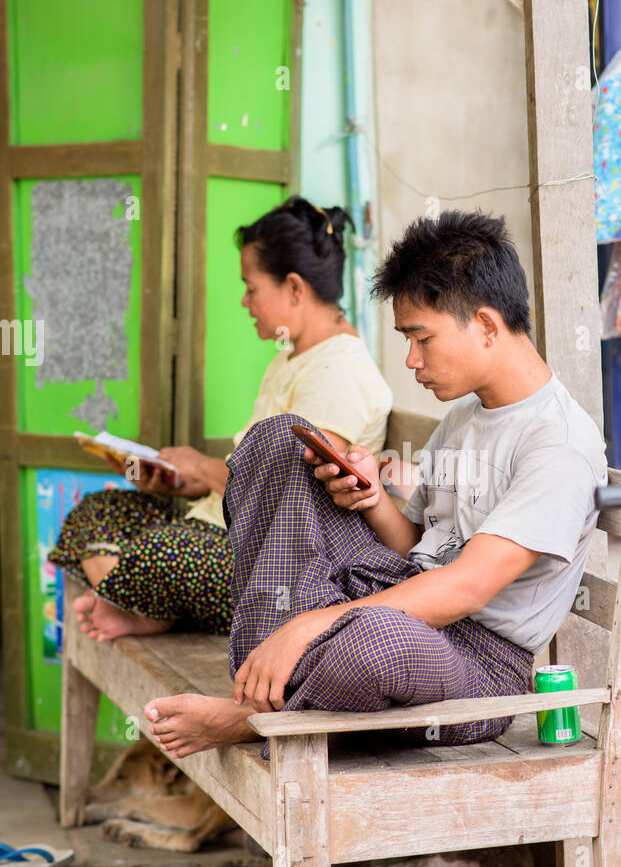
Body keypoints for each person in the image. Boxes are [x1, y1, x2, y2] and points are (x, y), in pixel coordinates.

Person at [144, 208, 608, 756]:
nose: (411, 360)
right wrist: (371, 498)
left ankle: (252, 715)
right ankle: (266, 692)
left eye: (422, 338)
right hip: (399, 593)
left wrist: (307, 627)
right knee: (278, 440)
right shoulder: (467, 413)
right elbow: (416, 547)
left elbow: (464, 587)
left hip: (478, 661)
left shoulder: (558, 445)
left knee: (373, 643)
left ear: (486, 325)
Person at [49, 197, 393, 641]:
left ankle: (138, 604)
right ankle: (142, 602)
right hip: (221, 530)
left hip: (277, 566)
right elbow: (239, 481)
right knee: (100, 511)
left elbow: (289, 504)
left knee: (167, 551)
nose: (244, 301)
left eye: (251, 288)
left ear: (293, 288)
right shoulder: (292, 359)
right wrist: (176, 479)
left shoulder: (339, 372)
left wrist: (201, 466)